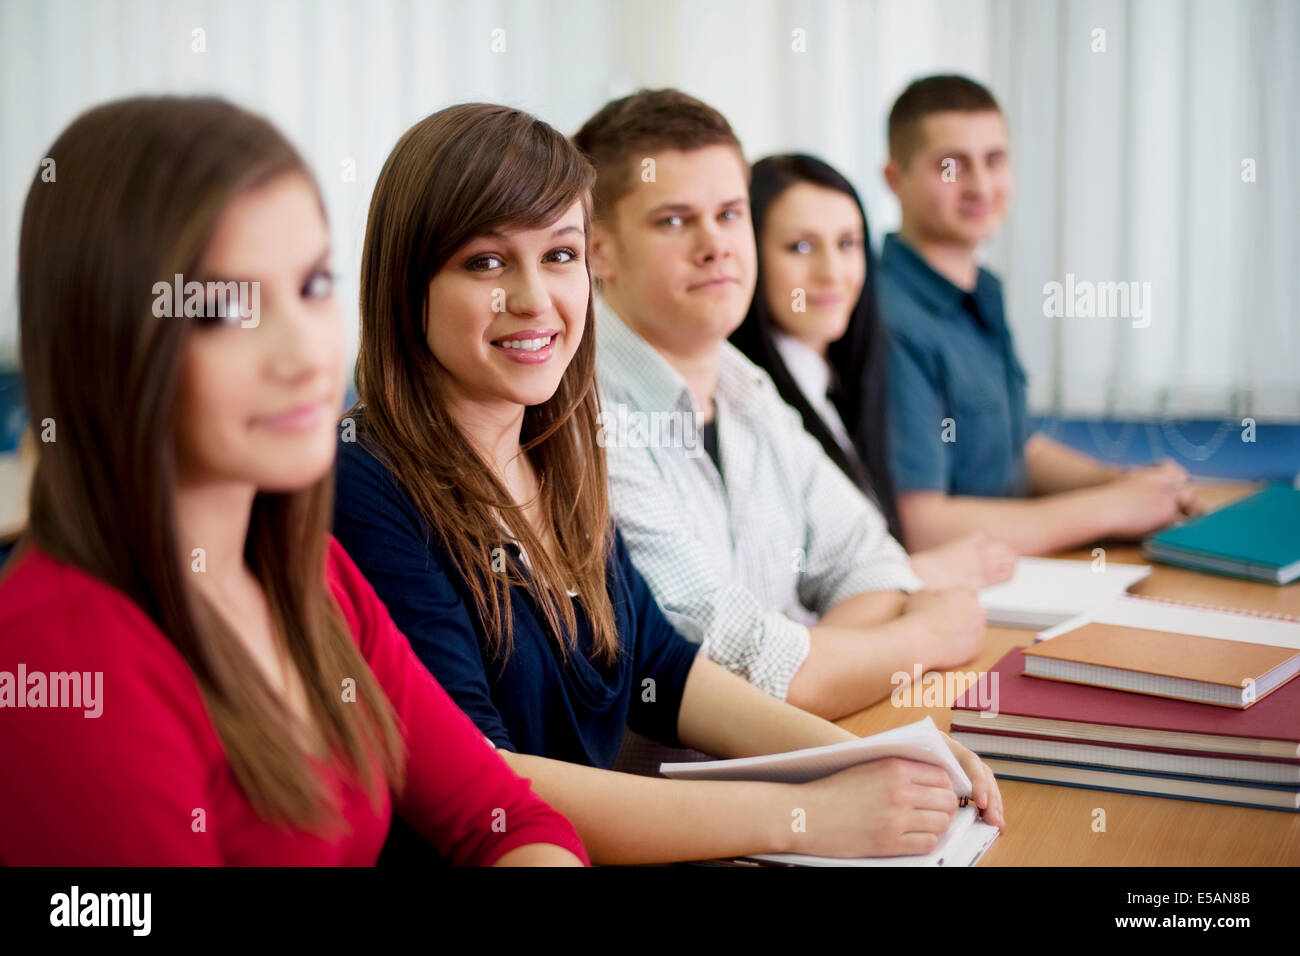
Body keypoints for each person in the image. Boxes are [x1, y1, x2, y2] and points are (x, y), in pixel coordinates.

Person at [332, 102, 1004, 866]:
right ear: (407, 282)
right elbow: (481, 775)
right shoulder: (365, 481)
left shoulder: (558, 453)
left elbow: (662, 666)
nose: (533, 298)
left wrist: (872, 758)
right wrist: (802, 816)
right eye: (485, 263)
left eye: (558, 256)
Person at [0, 96, 586, 866]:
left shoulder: (307, 577)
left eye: (312, 287)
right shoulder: (62, 664)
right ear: (105, 338)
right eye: (222, 308)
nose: (305, 355)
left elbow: (507, 820)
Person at [575, 89, 986, 721]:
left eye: (731, 213)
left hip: (804, 754)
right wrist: (931, 637)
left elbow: (871, 564)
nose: (716, 245)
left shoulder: (745, 385)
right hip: (680, 800)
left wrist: (821, 665)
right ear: (598, 249)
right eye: (675, 221)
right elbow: (749, 683)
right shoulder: (582, 417)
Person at [879, 74, 1198, 555]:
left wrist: (1125, 484)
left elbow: (1017, 450)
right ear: (895, 179)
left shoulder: (983, 292)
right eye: (952, 166)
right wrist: (1112, 507)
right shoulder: (888, 318)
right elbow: (923, 526)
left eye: (994, 160)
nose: (981, 185)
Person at [731, 152, 1016, 590]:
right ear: (747, 254)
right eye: (801, 247)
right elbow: (785, 599)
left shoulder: (837, 382)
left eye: (847, 244)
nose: (832, 273)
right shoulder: (746, 404)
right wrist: (922, 574)